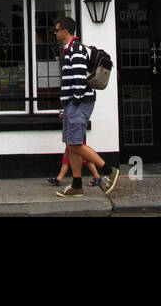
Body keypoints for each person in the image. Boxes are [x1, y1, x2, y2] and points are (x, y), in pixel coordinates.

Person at [53, 17, 118, 197]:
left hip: (79, 103)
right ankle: (76, 186)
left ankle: (109, 171)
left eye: (56, 30)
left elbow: (80, 79)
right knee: (73, 144)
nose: (54, 33)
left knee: (75, 143)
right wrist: (65, 106)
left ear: (65, 31)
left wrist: (74, 101)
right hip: (71, 104)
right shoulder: (68, 50)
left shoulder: (76, 49)